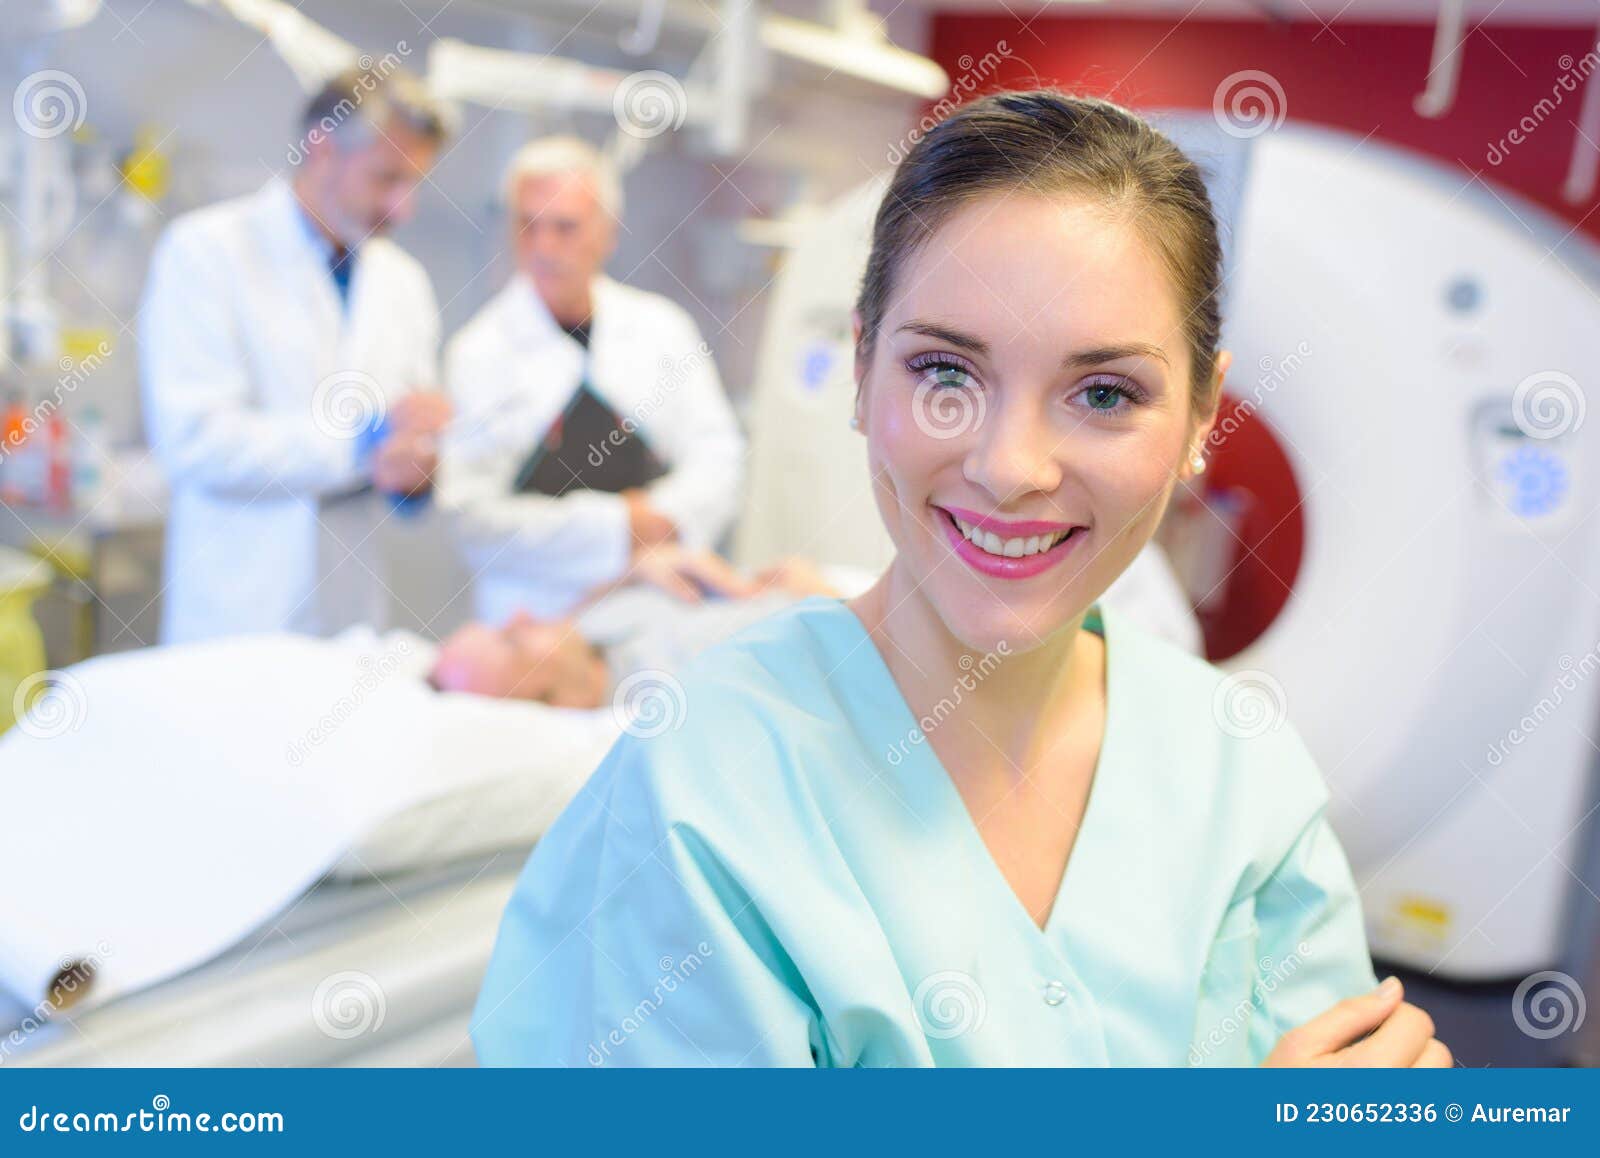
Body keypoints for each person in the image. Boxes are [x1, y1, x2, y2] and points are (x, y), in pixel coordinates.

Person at [471, 91, 1452, 1068]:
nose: (1008, 466)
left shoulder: (1238, 772)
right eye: (946, 373)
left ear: (1200, 416)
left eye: (1103, 392)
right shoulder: (699, 793)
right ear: (861, 372)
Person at [140, 67, 451, 644]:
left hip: (350, 612)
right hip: (237, 613)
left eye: (413, 184)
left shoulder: (402, 281)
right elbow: (194, 442)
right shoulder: (207, 252)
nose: (402, 208)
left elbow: (407, 446)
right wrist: (365, 443)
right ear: (323, 148)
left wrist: (414, 472)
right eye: (386, 179)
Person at [437, 136, 746, 624]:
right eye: (527, 225)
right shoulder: (477, 352)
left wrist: (664, 517)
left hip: (656, 601)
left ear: (608, 233)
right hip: (529, 618)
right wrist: (620, 525)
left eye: (565, 227)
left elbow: (718, 455)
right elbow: (471, 519)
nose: (543, 247)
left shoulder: (663, 329)